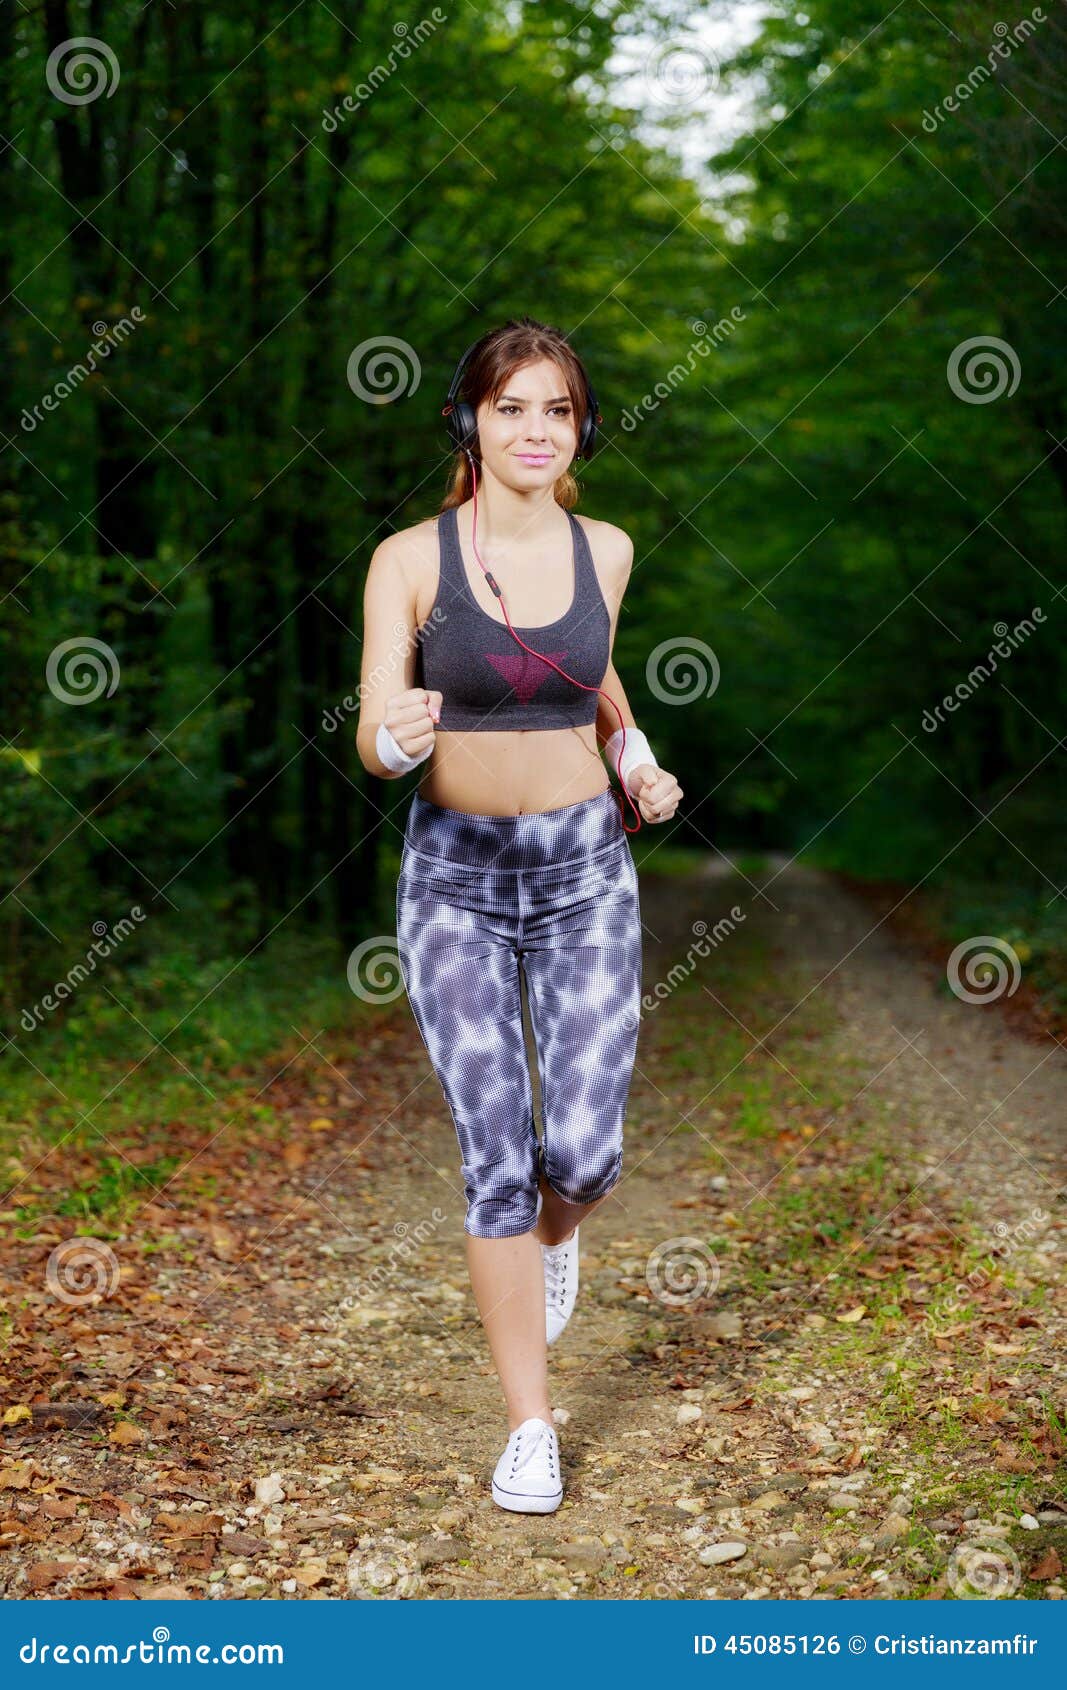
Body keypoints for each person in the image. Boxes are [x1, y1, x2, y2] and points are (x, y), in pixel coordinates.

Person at [356, 316, 682, 1514]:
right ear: (468, 421)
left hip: (583, 866)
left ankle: (556, 1234)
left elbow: (592, 677)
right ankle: (529, 1428)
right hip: (451, 877)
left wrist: (634, 757)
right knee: (493, 1155)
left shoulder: (608, 549)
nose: (534, 429)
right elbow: (372, 726)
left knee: (584, 1152)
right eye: (509, 408)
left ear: (580, 429)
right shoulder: (409, 560)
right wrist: (396, 738)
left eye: (557, 410)